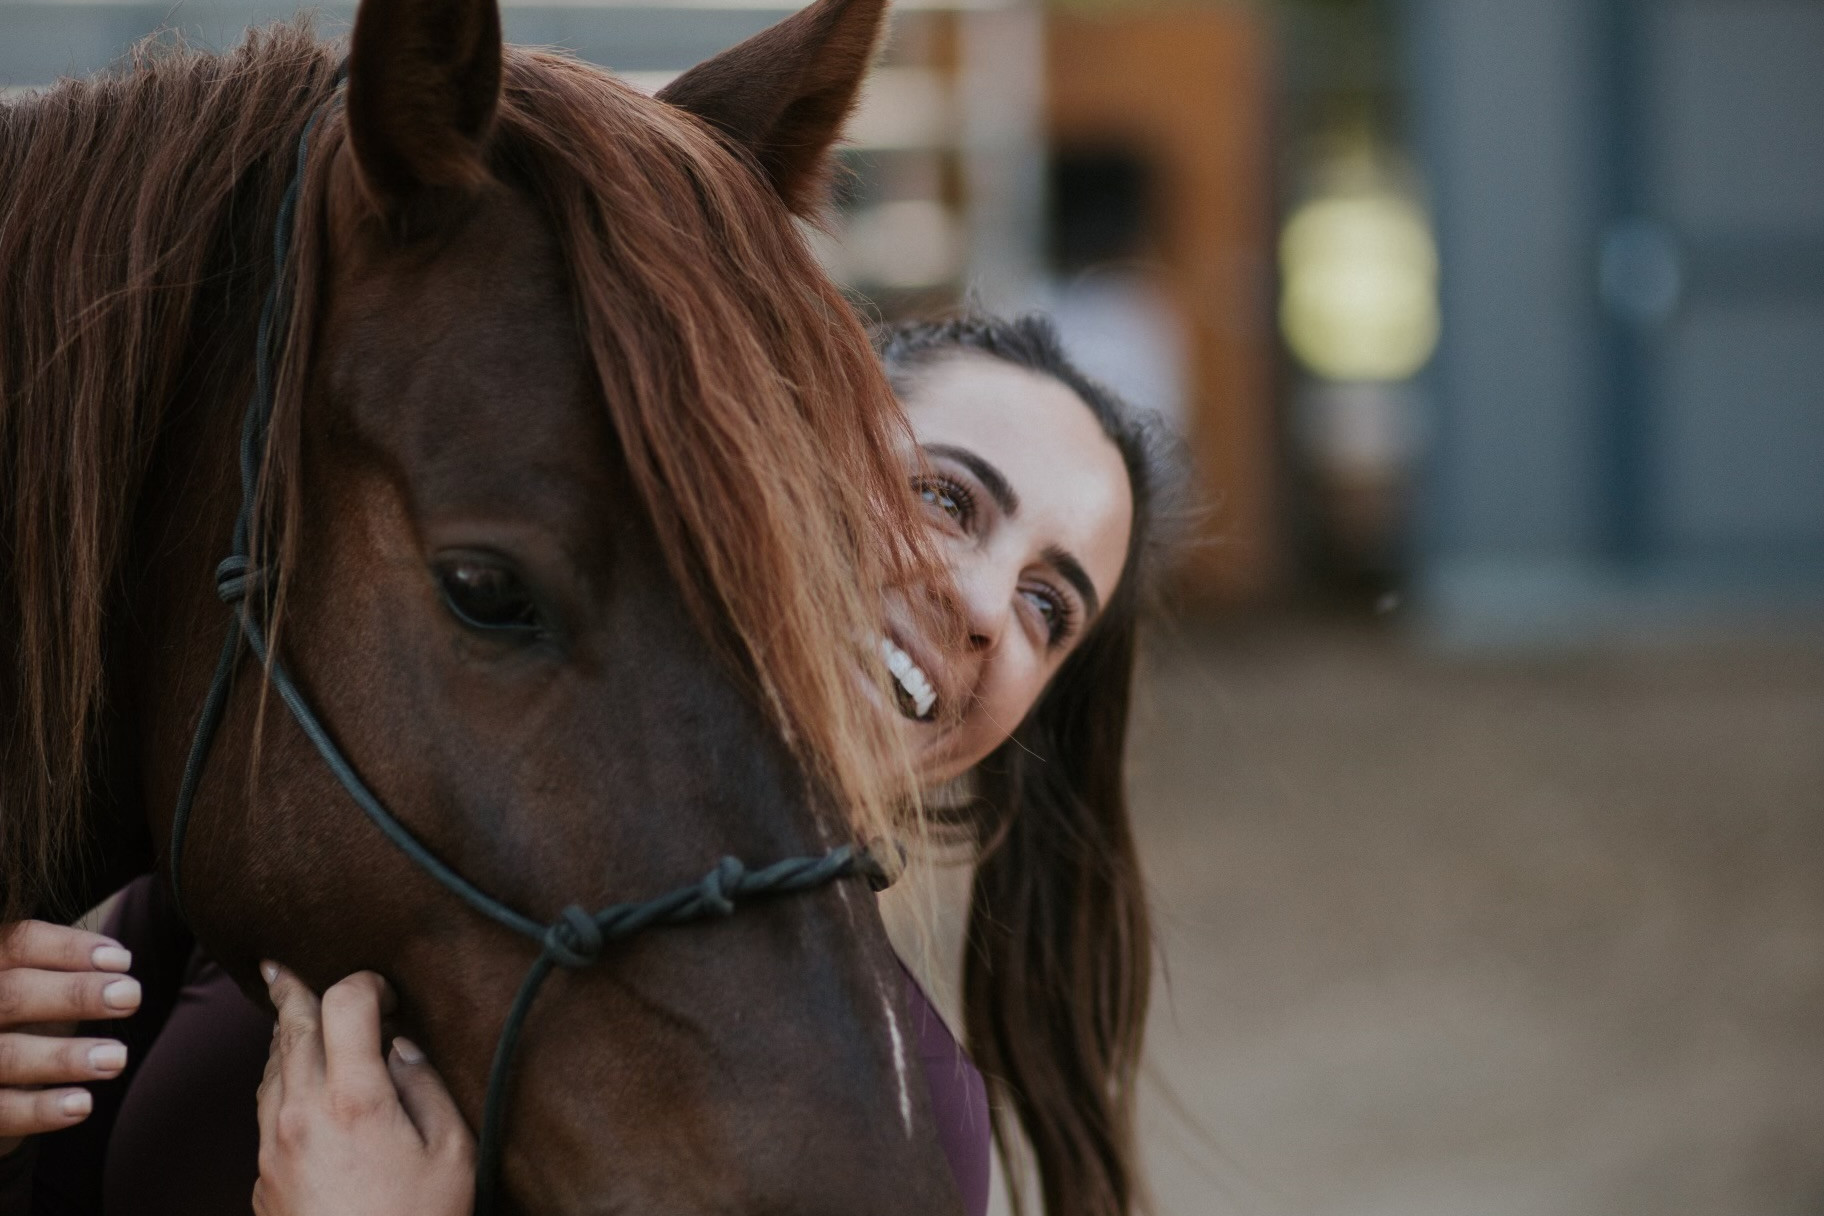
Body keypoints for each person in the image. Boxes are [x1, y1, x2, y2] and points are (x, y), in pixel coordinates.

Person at [0, 314, 1174, 1216]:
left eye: (1045, 607)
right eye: (946, 497)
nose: (980, 604)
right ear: (774, 450)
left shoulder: (899, 1112)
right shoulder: (331, 784)